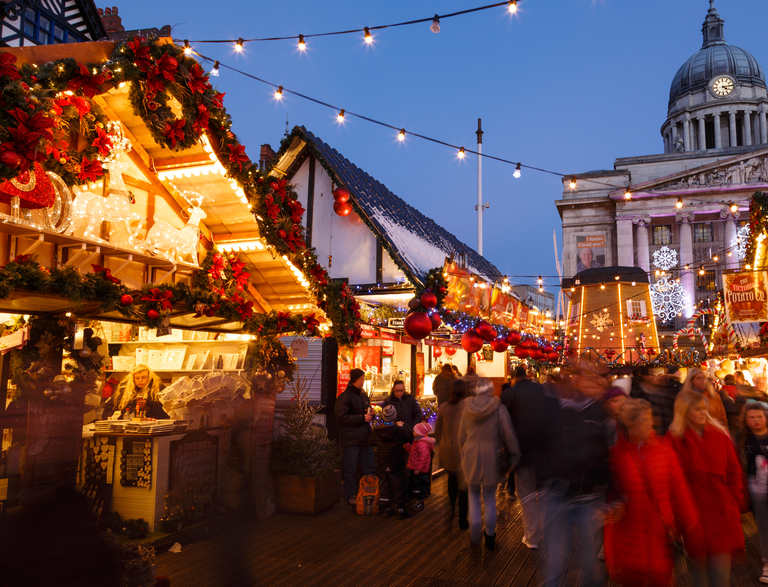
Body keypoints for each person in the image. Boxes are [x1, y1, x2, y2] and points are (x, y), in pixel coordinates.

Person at [604, 399, 702, 587]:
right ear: (630, 424)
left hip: (658, 535)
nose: (650, 424)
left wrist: (691, 528)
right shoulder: (616, 455)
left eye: (650, 419)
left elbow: (680, 490)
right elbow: (609, 496)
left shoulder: (663, 450)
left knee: (661, 579)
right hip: (627, 540)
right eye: (644, 420)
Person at [539, 364, 611, 587]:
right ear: (576, 380)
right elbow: (540, 444)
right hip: (558, 492)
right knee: (556, 561)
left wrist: (606, 497)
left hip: (589, 496)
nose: (590, 383)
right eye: (585, 378)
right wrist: (543, 480)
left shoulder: (599, 412)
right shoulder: (555, 408)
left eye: (593, 379)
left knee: (589, 561)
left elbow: (605, 453)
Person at [667, 390, 744, 587]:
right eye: (698, 409)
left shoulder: (719, 433)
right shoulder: (674, 438)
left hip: (722, 509)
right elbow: (673, 480)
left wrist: (734, 498)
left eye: (704, 409)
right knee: (697, 575)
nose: (703, 412)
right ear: (685, 411)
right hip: (693, 511)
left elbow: (734, 469)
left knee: (720, 575)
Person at [459, 378, 520, 550]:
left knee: (473, 496)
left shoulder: (466, 409)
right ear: (491, 390)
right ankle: (490, 537)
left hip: (470, 454)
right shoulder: (499, 409)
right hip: (491, 455)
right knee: (489, 497)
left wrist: (463, 451)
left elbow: (461, 436)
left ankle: (474, 535)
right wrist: (515, 454)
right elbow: (508, 434)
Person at [503, 365, 552, 549]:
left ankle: (532, 538)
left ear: (514, 378)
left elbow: (504, 426)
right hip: (543, 452)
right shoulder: (542, 390)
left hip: (521, 452)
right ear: (528, 376)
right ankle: (547, 533)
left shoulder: (509, 395)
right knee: (545, 495)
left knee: (527, 497)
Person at [335, 368, 376, 506]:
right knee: (350, 469)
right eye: (363, 378)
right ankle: (351, 496)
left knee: (369, 467)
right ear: (357, 379)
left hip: (365, 438)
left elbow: (365, 412)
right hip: (351, 439)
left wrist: (371, 414)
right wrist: (361, 418)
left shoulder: (363, 395)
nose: (364, 381)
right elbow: (341, 417)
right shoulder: (344, 397)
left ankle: (369, 493)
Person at [434, 379, 470, 528]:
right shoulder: (468, 407)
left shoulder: (443, 407)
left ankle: (451, 508)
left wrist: (441, 443)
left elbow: (437, 430)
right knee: (464, 484)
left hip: (447, 448)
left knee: (451, 479)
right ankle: (462, 518)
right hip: (464, 450)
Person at [740, 401, 768, 583]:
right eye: (752, 417)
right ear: (746, 420)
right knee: (764, 527)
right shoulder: (743, 439)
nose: (756, 420)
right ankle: (767, 564)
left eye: (759, 416)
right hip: (757, 488)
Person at [369, 404, 413, 519]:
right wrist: (401, 427)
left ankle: (386, 509)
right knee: (398, 486)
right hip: (396, 464)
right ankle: (401, 510)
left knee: (384, 486)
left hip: (382, 464)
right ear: (394, 417)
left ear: (383, 417)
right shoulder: (399, 430)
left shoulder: (377, 430)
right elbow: (407, 438)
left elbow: (371, 442)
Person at [102, 364, 168, 420]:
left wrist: (149, 404)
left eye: (144, 377)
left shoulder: (158, 388)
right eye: (137, 378)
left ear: (149, 377)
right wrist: (115, 419)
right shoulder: (124, 389)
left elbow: (167, 410)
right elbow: (108, 408)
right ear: (133, 379)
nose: (140, 380)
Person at [405, 422, 435, 511]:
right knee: (416, 486)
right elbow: (413, 453)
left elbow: (423, 457)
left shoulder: (421, 444)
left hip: (419, 470)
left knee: (420, 486)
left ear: (419, 433)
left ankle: (420, 503)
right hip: (415, 468)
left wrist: (419, 468)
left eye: (414, 431)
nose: (413, 433)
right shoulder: (417, 442)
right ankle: (418, 501)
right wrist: (407, 446)